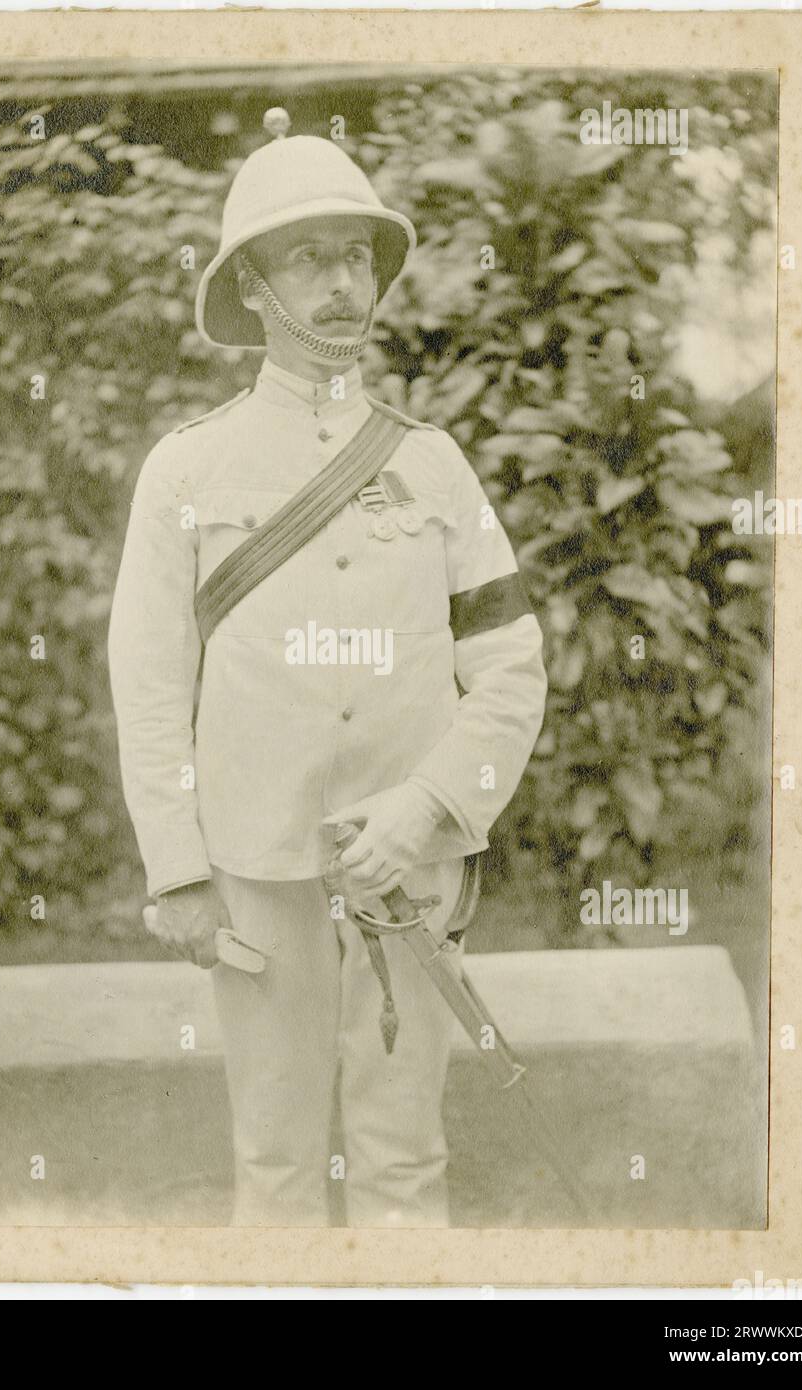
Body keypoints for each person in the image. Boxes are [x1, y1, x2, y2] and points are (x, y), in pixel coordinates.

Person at [107, 109, 547, 1228]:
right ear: (250, 285)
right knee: (275, 1163)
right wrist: (177, 872)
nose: (344, 283)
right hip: (257, 872)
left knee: (405, 1162)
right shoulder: (187, 470)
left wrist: (429, 805)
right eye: (308, 257)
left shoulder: (434, 466)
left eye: (357, 254)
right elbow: (149, 682)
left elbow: (510, 668)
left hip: (411, 870)